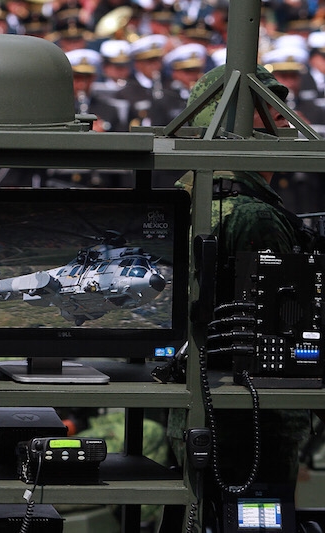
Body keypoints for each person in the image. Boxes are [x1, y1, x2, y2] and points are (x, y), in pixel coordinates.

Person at [160, 64, 317, 532]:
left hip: (194, 403)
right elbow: (284, 322)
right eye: (269, 110)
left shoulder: (189, 191)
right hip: (250, 415)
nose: (284, 120)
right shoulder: (252, 215)